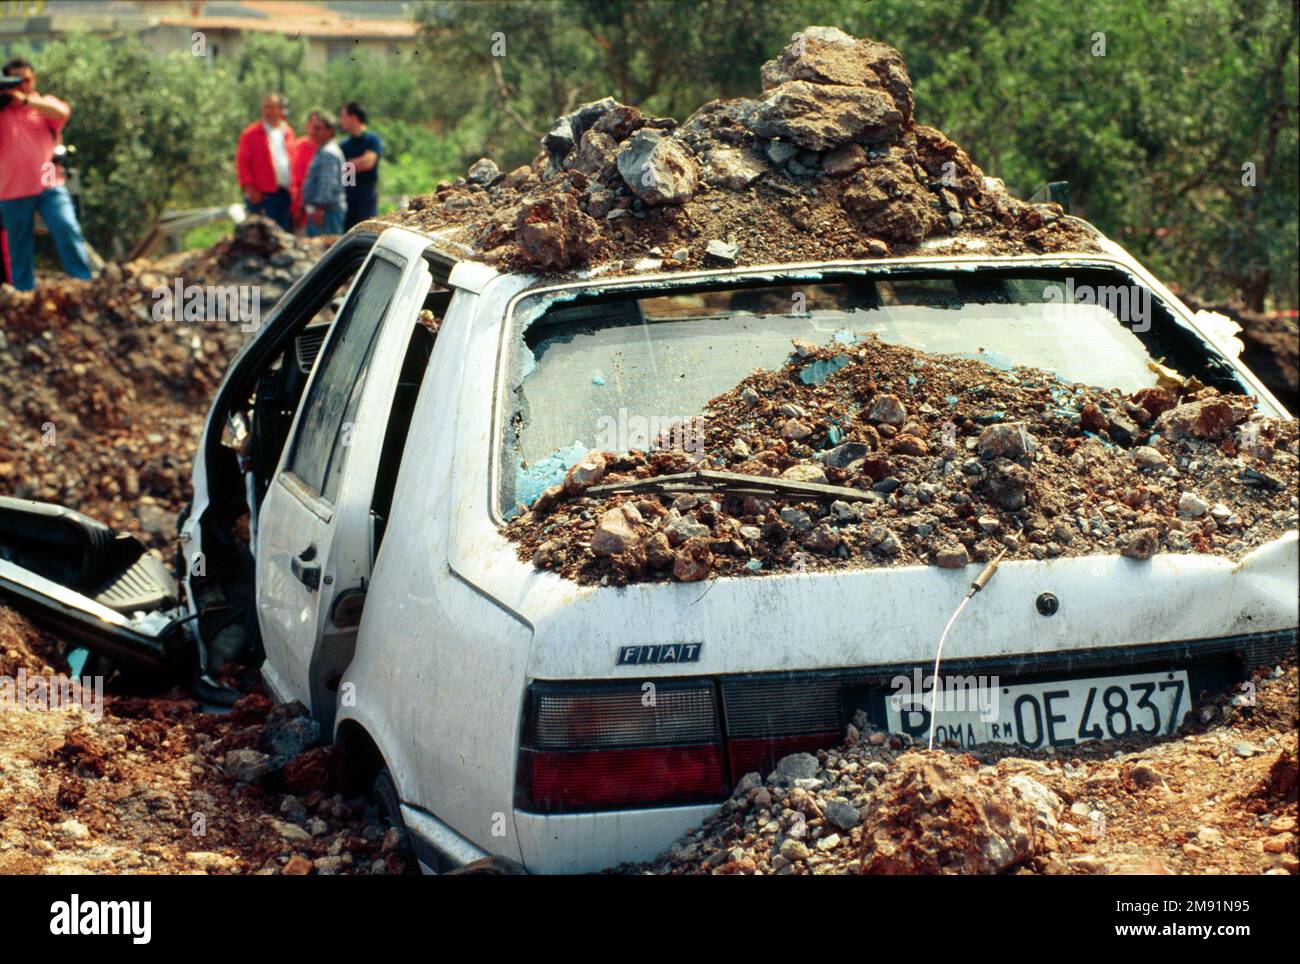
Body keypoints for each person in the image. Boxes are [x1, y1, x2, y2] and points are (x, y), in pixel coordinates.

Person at [0, 58, 93, 291]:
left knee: (66, 227)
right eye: (16, 81)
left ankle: (83, 282)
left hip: (48, 179)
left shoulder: (42, 105)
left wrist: (27, 101)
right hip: (12, 188)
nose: (23, 85)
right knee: (18, 248)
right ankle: (24, 293)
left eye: (27, 80)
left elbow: (62, 112)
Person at [236, 93, 297, 231]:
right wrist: (250, 189)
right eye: (266, 107)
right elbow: (242, 163)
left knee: (284, 236)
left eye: (272, 107)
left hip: (285, 194)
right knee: (263, 238)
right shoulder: (251, 133)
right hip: (263, 196)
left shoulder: (287, 132)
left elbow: (293, 161)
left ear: (281, 109)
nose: (268, 111)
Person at [300, 110, 347, 237]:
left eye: (318, 128)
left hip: (326, 213)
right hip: (324, 211)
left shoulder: (328, 153)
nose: (313, 132)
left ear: (330, 131)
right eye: (312, 128)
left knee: (325, 251)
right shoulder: (324, 150)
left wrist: (320, 209)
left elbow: (328, 183)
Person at [338, 101, 382, 229]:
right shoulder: (344, 144)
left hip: (366, 195)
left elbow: (368, 162)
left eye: (343, 116)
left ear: (354, 117)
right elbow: (346, 175)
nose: (341, 120)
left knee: (367, 230)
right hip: (349, 194)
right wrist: (354, 164)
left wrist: (348, 164)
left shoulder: (372, 139)